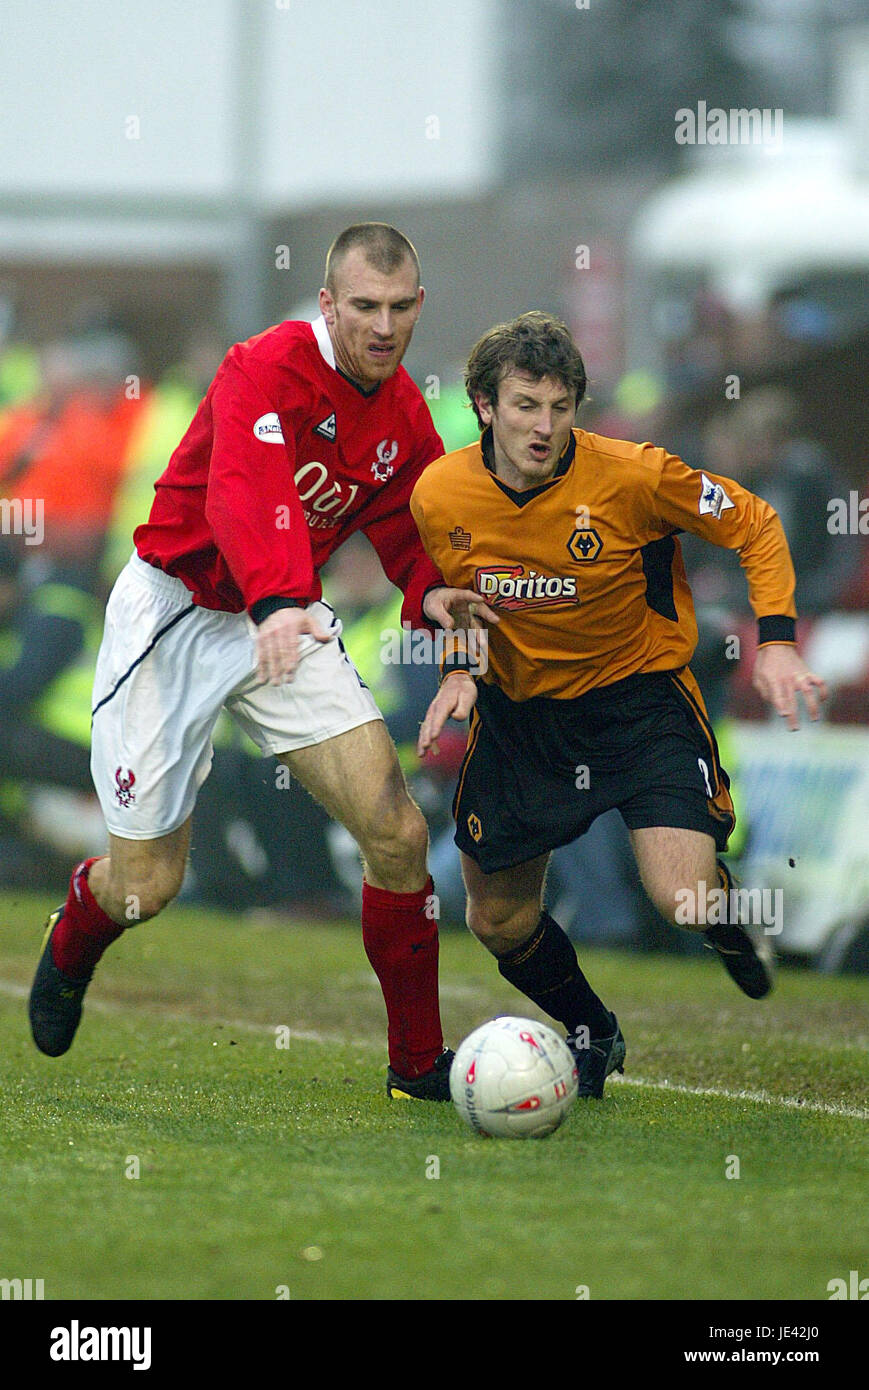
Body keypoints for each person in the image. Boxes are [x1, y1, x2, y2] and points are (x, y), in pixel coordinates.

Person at [28, 222, 497, 1102]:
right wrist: (280, 597)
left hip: (280, 616)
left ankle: (415, 1066)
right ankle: (75, 932)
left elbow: (413, 528)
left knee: (395, 834)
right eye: (363, 306)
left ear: (418, 307)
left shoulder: (402, 411)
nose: (382, 326)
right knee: (148, 884)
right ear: (328, 305)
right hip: (179, 611)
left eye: (399, 308)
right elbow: (245, 490)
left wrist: (433, 595)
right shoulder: (263, 366)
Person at [410, 311, 827, 1099]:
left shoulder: (636, 476)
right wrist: (459, 669)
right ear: (483, 405)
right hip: (521, 718)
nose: (543, 426)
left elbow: (755, 523)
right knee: (495, 920)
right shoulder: (440, 493)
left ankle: (725, 922)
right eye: (524, 405)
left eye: (559, 407)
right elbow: (460, 600)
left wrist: (774, 641)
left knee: (682, 899)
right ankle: (593, 1032)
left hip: (637, 706)